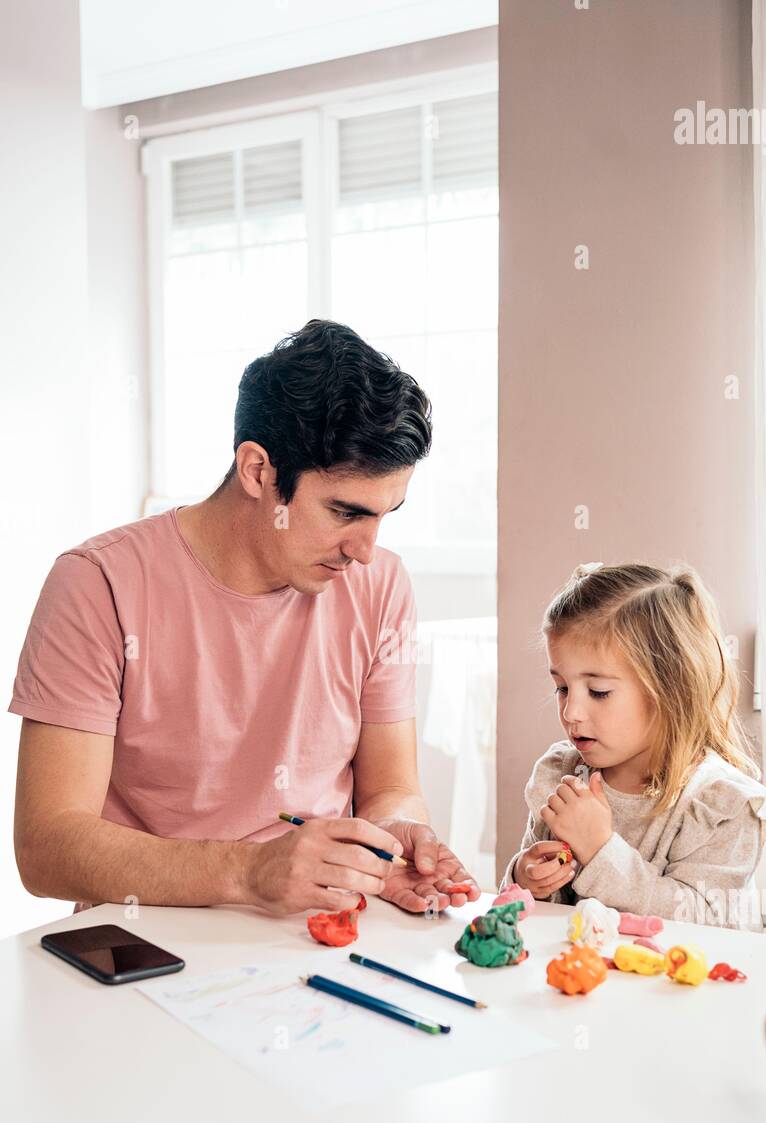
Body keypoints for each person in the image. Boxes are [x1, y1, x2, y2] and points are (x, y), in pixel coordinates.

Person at [10, 319, 480, 918]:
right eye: (345, 512)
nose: (365, 550)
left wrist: (396, 838)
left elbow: (390, 787)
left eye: (386, 516)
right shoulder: (97, 583)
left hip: (324, 935)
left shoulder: (380, 584)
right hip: (146, 942)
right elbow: (46, 847)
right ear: (258, 470)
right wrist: (253, 871)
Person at [500, 562, 766, 929]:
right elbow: (525, 918)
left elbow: (709, 927)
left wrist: (599, 851)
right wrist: (526, 879)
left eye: (598, 691)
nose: (571, 711)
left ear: (671, 691)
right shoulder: (562, 776)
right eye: (562, 687)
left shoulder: (721, 804)